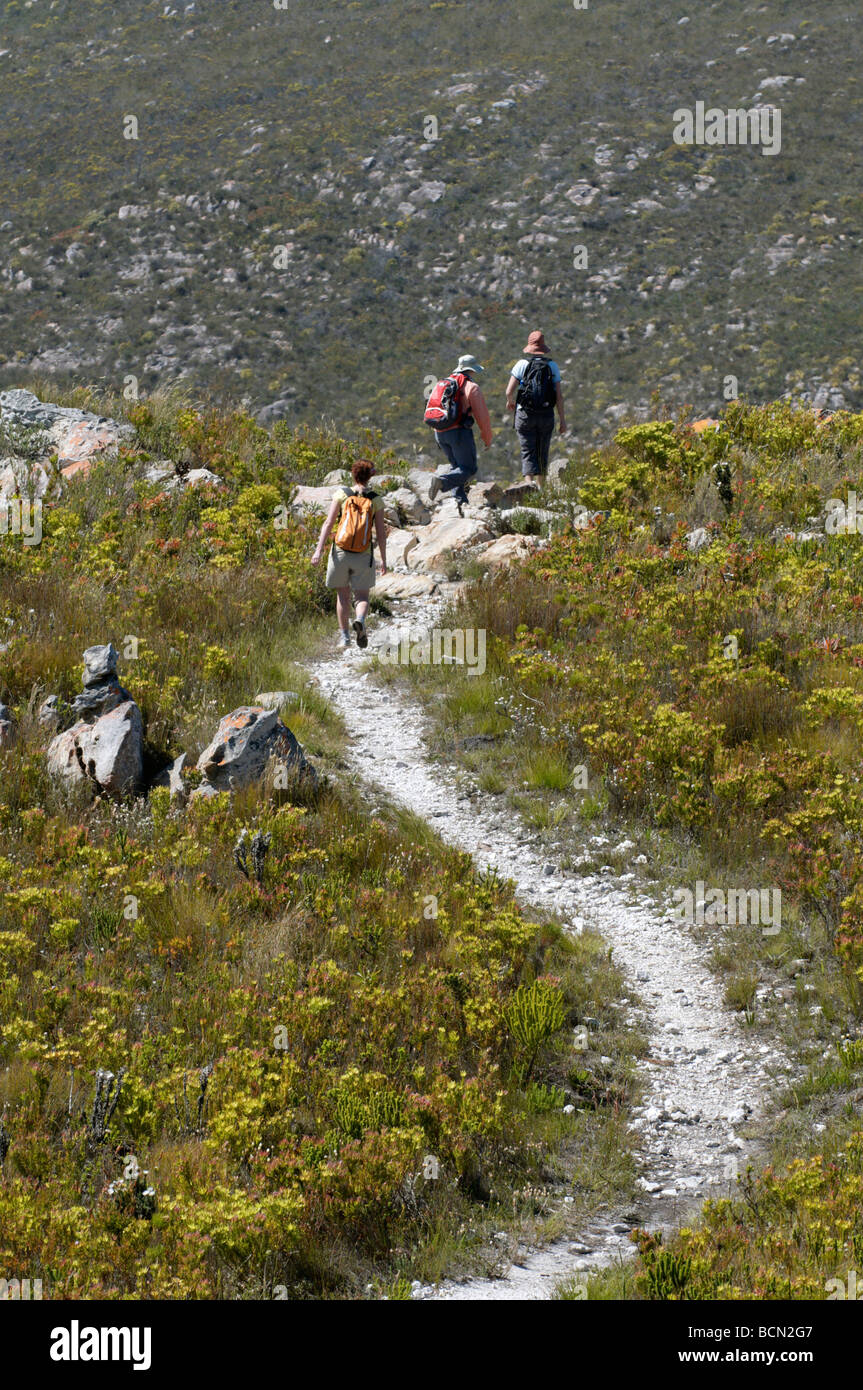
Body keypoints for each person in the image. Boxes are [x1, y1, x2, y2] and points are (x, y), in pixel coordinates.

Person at [311, 458, 387, 649]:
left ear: (353, 474)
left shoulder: (342, 494)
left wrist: (318, 550)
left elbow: (328, 524)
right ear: (371, 476)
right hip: (363, 554)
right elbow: (381, 532)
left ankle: (344, 637)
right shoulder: (376, 500)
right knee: (362, 597)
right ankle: (360, 619)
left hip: (340, 553)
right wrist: (383, 560)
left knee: (343, 596)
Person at [428, 354, 493, 514]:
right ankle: (442, 481)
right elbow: (482, 417)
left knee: (457, 468)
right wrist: (487, 437)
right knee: (468, 468)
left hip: (440, 432)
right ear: (472, 370)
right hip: (458, 433)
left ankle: (460, 503)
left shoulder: (442, 384)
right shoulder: (472, 387)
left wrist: (438, 433)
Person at [505, 331, 567, 483]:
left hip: (525, 414)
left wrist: (510, 401)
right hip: (546, 415)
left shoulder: (522, 365)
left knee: (527, 451)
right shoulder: (552, 366)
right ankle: (541, 490)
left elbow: (508, 391)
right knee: (542, 451)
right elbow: (559, 396)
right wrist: (562, 421)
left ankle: (528, 486)